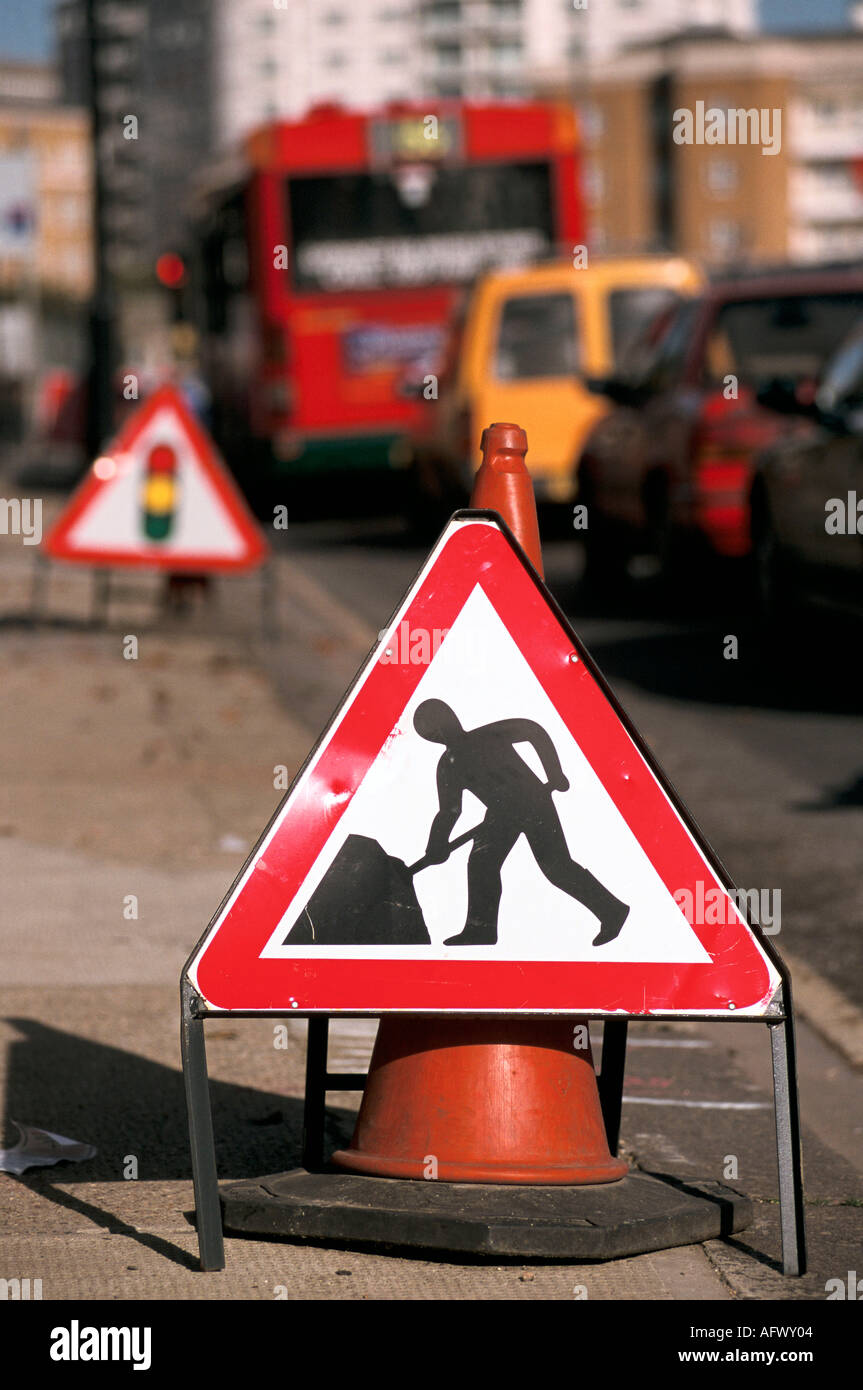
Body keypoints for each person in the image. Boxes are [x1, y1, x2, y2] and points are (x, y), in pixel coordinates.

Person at [414, 698, 629, 947]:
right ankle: (480, 929)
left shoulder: (489, 735)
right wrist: (436, 844)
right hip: (499, 814)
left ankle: (611, 911)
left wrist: (554, 773)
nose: (442, 733)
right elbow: (450, 811)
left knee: (556, 867)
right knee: (482, 864)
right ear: (432, 738)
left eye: (441, 724)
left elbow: (532, 730)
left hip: (533, 800)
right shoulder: (449, 765)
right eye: (434, 732)